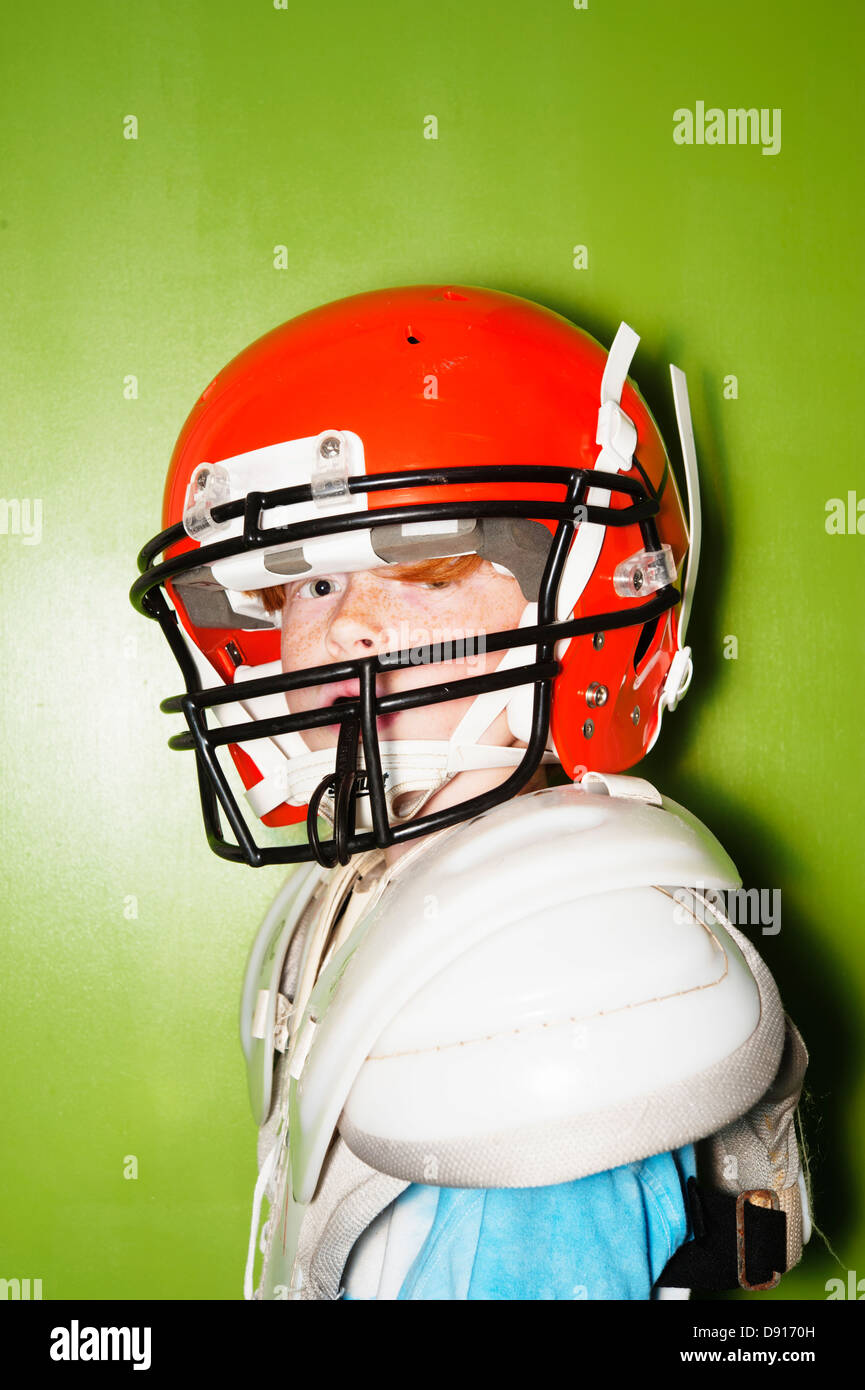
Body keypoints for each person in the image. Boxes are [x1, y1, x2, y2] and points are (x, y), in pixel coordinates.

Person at [131, 283, 810, 1300]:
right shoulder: (363, 894)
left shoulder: (556, 986)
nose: (350, 626)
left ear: (587, 610)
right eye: (311, 585)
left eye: (426, 569)